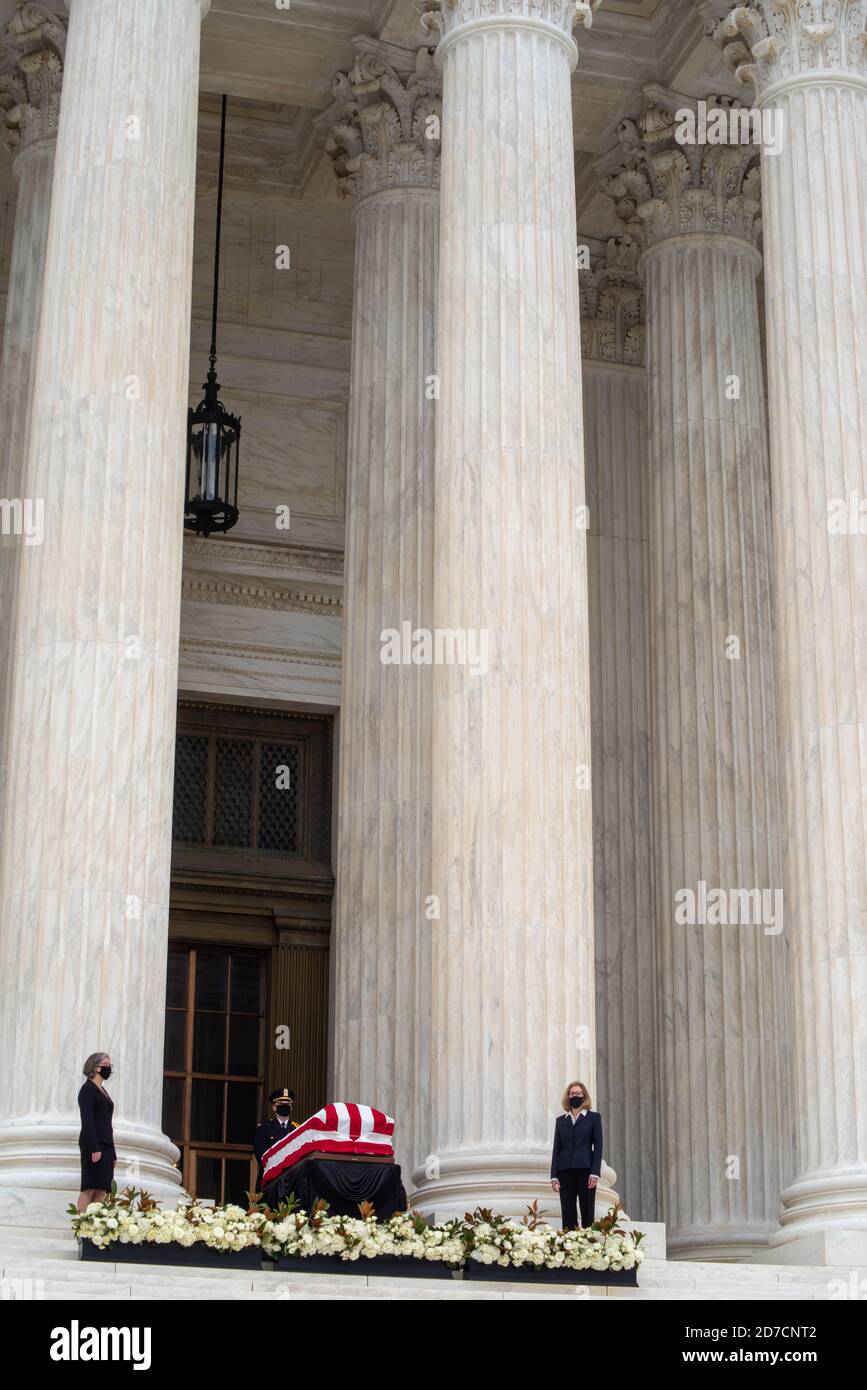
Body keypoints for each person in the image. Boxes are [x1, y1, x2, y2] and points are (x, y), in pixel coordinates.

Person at [550, 1080, 602, 1230]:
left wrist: (595, 1173)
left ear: (584, 1096)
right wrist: (554, 1175)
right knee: (568, 1212)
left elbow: (598, 1146)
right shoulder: (561, 1121)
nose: (575, 1096)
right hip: (564, 1171)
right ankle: (570, 1247)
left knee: (587, 1211)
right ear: (568, 1097)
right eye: (572, 1093)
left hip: (586, 1171)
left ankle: (588, 1247)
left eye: (578, 1093)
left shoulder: (594, 1118)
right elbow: (556, 1149)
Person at [77, 1052, 116, 1213]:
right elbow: (88, 1122)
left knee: (102, 1189)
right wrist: (94, 1148)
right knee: (90, 1187)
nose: (109, 1068)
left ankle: (93, 1229)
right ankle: (80, 1226)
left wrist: (112, 1153)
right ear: (95, 1067)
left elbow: (107, 1123)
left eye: (110, 1065)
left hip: (106, 1144)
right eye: (106, 1065)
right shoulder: (87, 1090)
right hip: (93, 1144)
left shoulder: (104, 1091)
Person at [253, 1087, 298, 1195]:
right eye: (281, 1104)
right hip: (269, 1179)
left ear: (291, 1108)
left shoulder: (297, 1129)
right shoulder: (264, 1128)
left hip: (290, 1180)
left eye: (288, 1104)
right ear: (274, 1107)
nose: (285, 1106)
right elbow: (260, 1152)